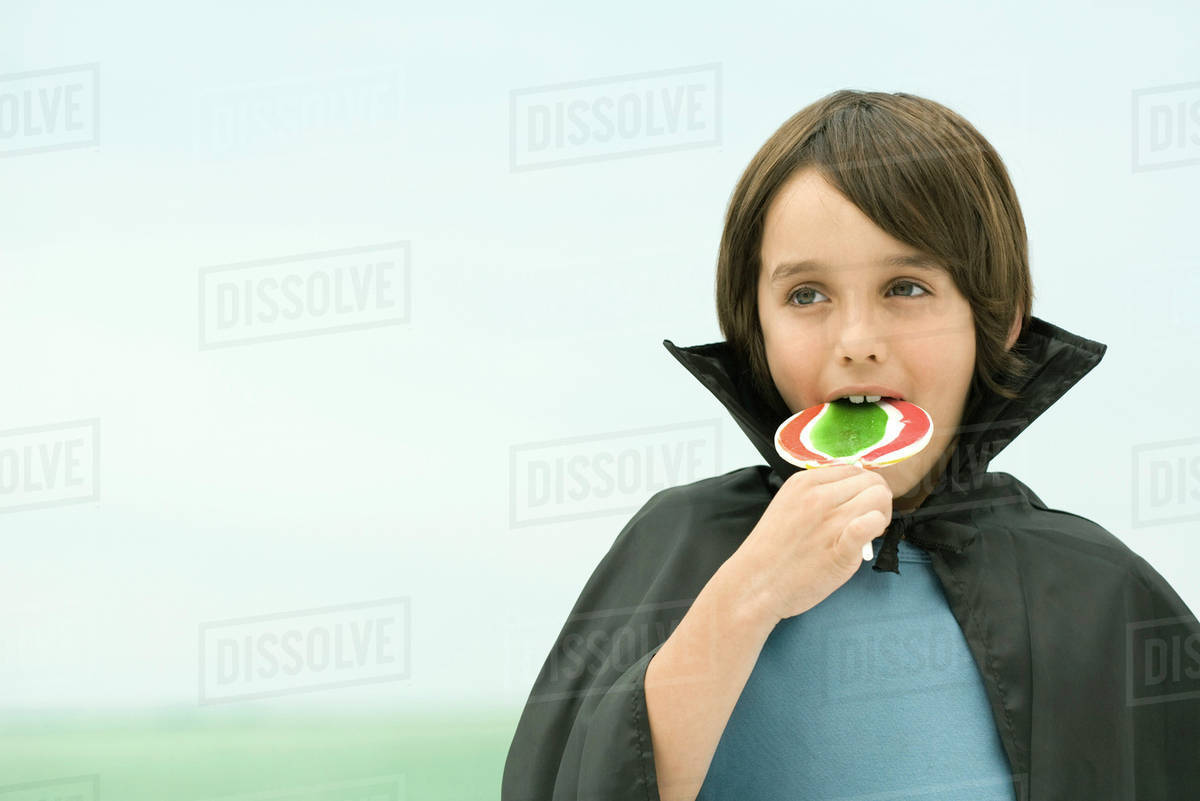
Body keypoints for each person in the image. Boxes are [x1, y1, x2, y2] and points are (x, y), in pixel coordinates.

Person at [500, 90, 1200, 801]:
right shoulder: (673, 541)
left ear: (999, 319)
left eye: (905, 286)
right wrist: (752, 592)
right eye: (806, 295)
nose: (857, 343)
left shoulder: (1101, 591)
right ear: (756, 328)